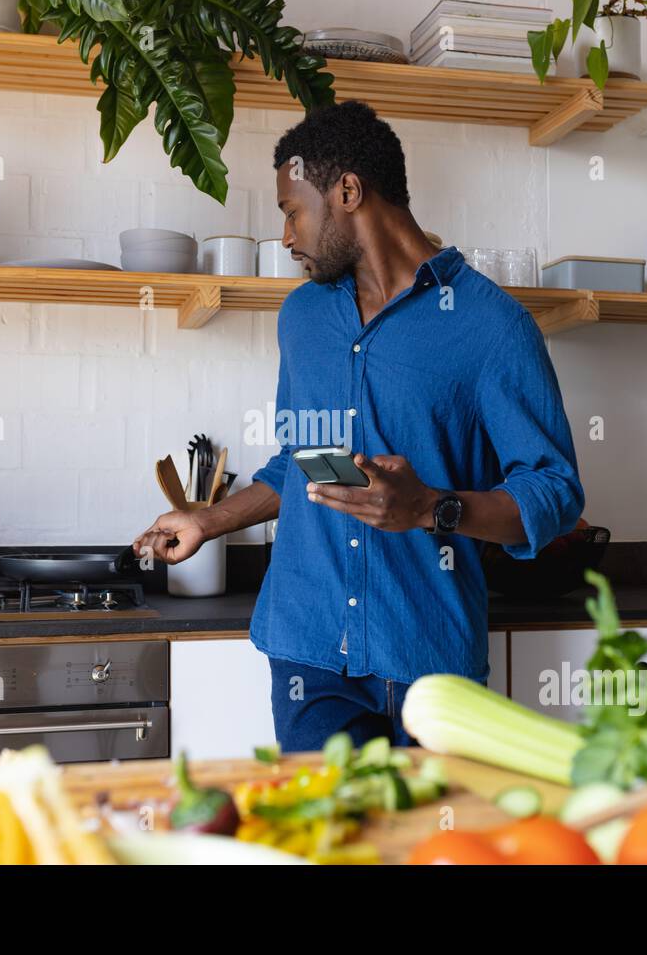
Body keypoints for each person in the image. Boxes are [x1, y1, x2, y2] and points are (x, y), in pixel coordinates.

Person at [133, 101, 583, 752]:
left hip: (432, 660)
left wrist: (434, 506)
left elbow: (556, 491)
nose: (286, 237)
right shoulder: (303, 319)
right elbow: (301, 462)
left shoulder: (492, 326)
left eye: (292, 211)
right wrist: (207, 520)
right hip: (310, 656)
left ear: (347, 191)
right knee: (324, 843)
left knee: (433, 848)